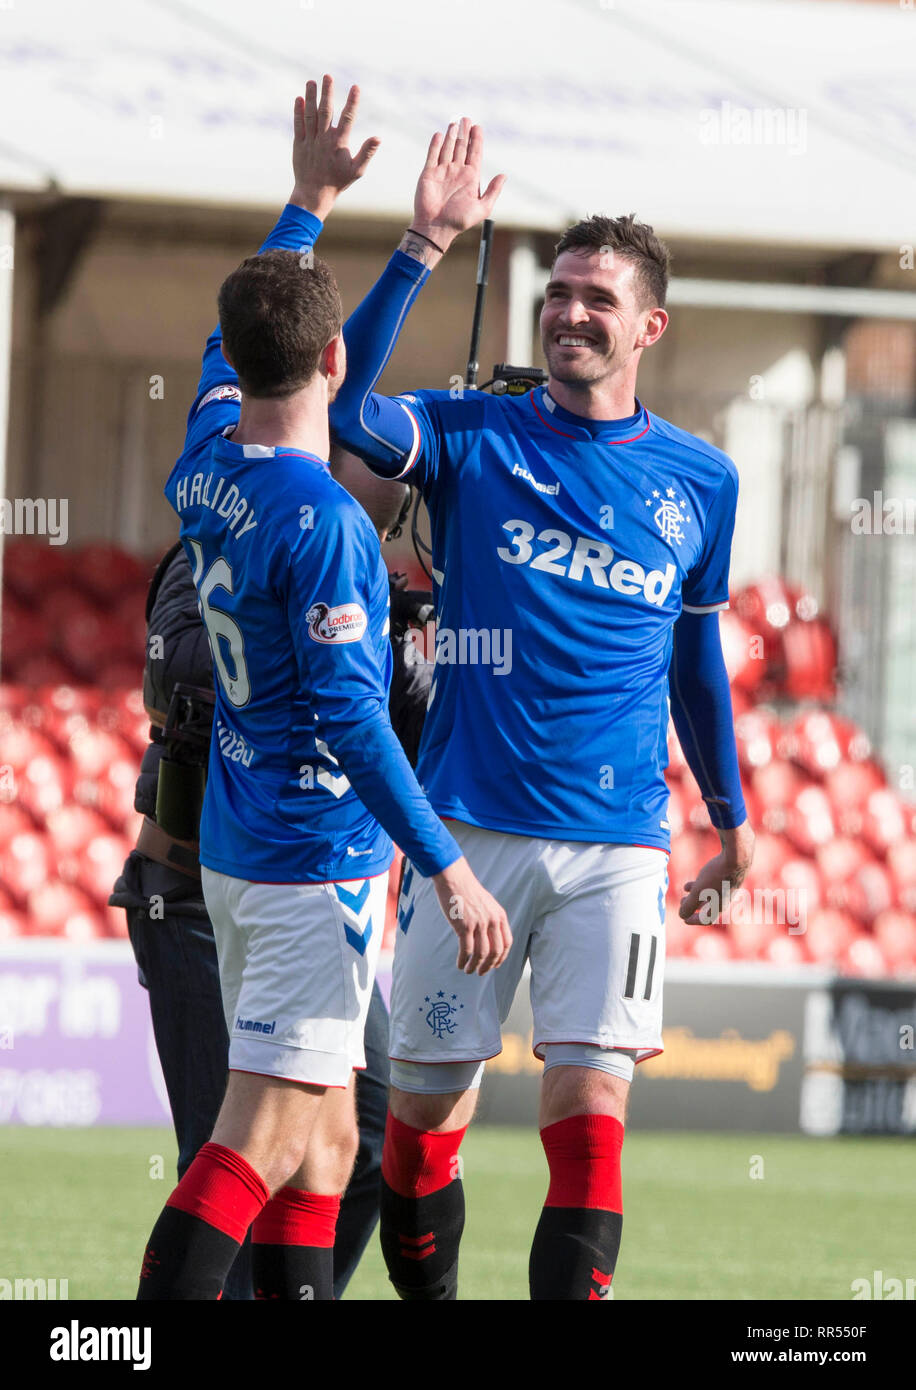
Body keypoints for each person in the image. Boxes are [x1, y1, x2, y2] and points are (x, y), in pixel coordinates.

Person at [329, 117, 756, 1300]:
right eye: (558, 295)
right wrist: (422, 241)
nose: (569, 315)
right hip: (465, 828)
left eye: (596, 301)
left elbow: (695, 658)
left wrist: (731, 817)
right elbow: (343, 406)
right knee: (419, 1130)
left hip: (619, 837)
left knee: (590, 1108)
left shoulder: (700, 480)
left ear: (648, 326)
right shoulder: (474, 432)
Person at [135, 79, 510, 1301]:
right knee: (257, 1140)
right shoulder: (333, 529)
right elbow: (353, 717)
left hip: (245, 839)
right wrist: (448, 866)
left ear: (231, 359)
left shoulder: (206, 463)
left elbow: (256, 333)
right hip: (309, 855)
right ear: (340, 360)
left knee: (332, 1145)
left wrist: (313, 206)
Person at [112, 452, 425, 1300]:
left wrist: (393, 657)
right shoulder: (228, 533)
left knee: (347, 1140)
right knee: (247, 1145)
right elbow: (175, 671)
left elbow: (387, 734)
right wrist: (334, 651)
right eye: (380, 458)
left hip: (312, 882)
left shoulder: (357, 568)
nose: (401, 489)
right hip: (196, 891)